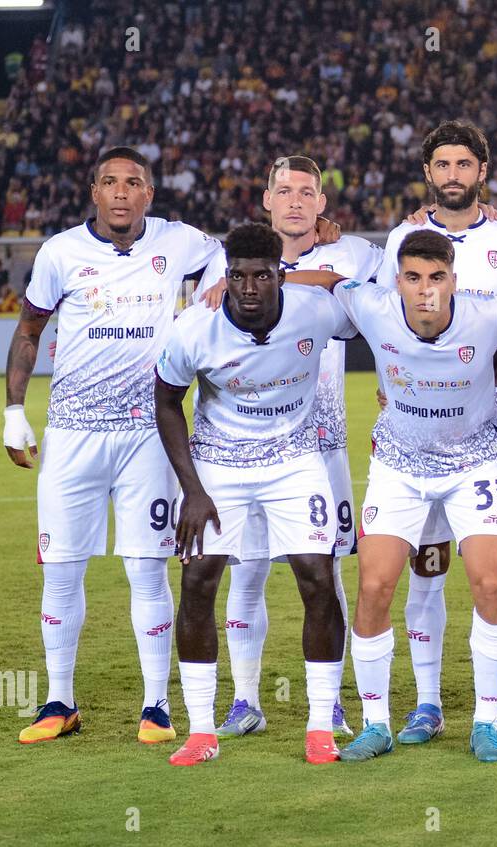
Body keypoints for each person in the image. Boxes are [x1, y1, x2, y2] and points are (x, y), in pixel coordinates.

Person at [285, 231, 497, 763]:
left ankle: (486, 721)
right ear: (396, 282)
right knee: (374, 586)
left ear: (454, 281)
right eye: (414, 278)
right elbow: (328, 281)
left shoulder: (490, 314)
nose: (425, 291)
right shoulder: (372, 305)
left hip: (475, 464)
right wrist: (272, 277)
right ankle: (376, 724)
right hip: (399, 465)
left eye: (437, 278)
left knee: (491, 583)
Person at [6, 148, 222, 746]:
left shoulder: (179, 242)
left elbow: (228, 254)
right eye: (110, 183)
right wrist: (12, 412)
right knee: (61, 571)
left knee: (146, 569)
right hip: (72, 436)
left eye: (133, 183)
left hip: (146, 435)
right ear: (93, 192)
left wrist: (210, 292)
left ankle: (156, 707)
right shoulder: (60, 252)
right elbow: (29, 330)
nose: (122, 193)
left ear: (150, 193)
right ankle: (59, 701)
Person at [375, 121, 497, 746]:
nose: (453, 175)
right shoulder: (403, 237)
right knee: (427, 563)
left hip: (493, 419)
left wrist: (491, 369)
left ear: (483, 170)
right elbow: (383, 319)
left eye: (464, 164)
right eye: (441, 165)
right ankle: (427, 703)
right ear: (429, 172)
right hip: (418, 425)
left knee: (494, 564)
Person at [193, 156, 383, 739]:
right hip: (245, 447)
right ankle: (245, 701)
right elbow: (205, 342)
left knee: (324, 573)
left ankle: (331, 704)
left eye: (307, 192)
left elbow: (376, 310)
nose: (296, 201)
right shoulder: (224, 266)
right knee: (245, 570)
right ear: (267, 201)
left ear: (323, 204)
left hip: (320, 445)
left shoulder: (354, 255)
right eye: (284, 191)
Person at [154, 223, 357, 765]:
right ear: (226, 275)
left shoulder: (315, 311)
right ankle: (201, 732)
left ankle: (320, 727)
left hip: (295, 462)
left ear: (280, 276)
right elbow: (167, 403)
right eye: (238, 275)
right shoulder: (193, 329)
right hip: (218, 466)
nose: (248, 287)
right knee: (197, 583)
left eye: (261, 275)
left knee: (318, 579)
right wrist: (191, 489)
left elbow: (378, 317)